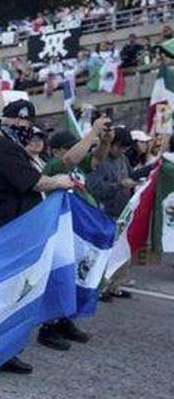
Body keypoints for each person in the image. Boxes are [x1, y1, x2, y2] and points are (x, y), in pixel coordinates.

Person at [0, 100, 73, 374]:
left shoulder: (10, 146)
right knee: (1, 298)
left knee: (8, 296)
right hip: (0, 235)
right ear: (6, 121)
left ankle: (1, 351)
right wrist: (59, 183)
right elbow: (34, 182)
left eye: (27, 123)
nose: (24, 127)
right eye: (19, 121)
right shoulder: (3, 147)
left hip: (8, 234)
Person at [36, 116, 113, 350]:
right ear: (57, 151)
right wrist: (92, 132)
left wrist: (105, 141)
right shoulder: (54, 166)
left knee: (76, 275)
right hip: (62, 231)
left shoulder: (79, 166)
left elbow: (98, 159)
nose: (74, 151)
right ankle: (47, 327)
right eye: (68, 147)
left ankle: (65, 320)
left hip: (80, 232)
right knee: (58, 276)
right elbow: (71, 158)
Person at [87, 127, 136, 300]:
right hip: (104, 213)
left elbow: (131, 175)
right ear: (111, 144)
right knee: (105, 254)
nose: (122, 151)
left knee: (122, 252)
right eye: (119, 147)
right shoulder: (99, 159)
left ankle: (115, 285)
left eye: (125, 148)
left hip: (123, 212)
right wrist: (119, 185)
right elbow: (95, 188)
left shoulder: (123, 159)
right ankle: (101, 288)